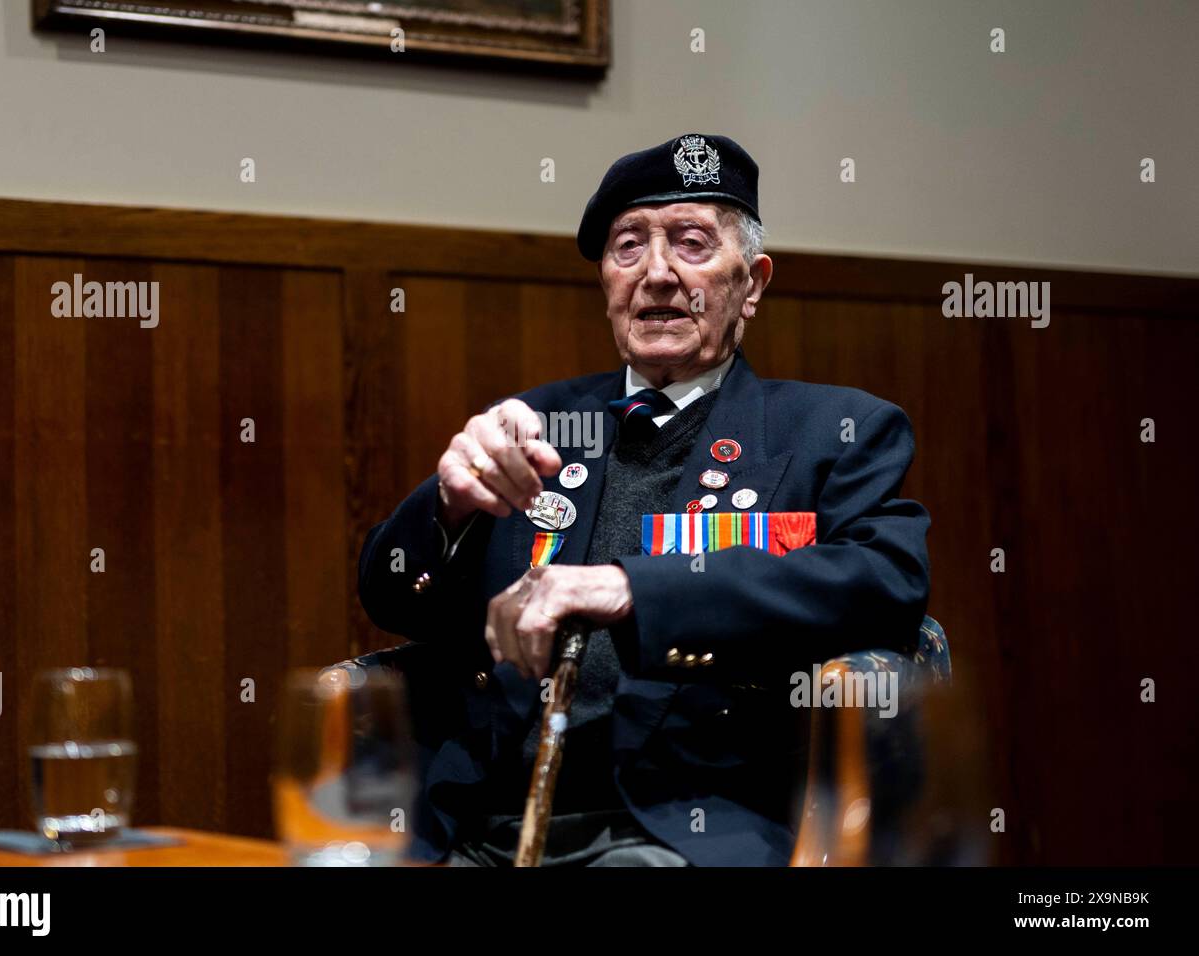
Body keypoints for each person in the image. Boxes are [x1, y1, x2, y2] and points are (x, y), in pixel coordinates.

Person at [358, 133, 930, 866]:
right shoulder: (539, 422)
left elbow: (887, 582)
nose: (657, 274)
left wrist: (633, 587)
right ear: (605, 281)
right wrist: (447, 506)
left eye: (692, 243)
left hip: (680, 826)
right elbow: (391, 597)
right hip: (479, 816)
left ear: (752, 283)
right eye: (628, 247)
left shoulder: (832, 430)